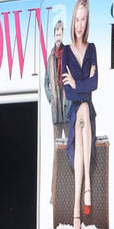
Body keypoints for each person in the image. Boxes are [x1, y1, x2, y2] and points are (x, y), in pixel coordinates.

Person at [62, 0, 98, 229]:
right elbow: (68, 91)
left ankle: (76, 209)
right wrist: (82, 85)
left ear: (88, 22)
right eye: (77, 19)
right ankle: (86, 189)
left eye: (83, 20)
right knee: (82, 109)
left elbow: (96, 84)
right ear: (72, 19)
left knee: (86, 110)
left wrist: (79, 83)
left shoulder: (92, 48)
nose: (79, 24)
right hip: (74, 112)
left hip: (86, 114)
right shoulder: (65, 51)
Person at [42, 19, 67, 205]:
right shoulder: (50, 57)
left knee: (71, 150)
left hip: (67, 110)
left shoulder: (67, 54)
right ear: (54, 35)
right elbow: (46, 82)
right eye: (56, 34)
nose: (58, 37)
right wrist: (51, 99)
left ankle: (71, 190)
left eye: (60, 34)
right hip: (55, 113)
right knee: (56, 151)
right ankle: (55, 192)